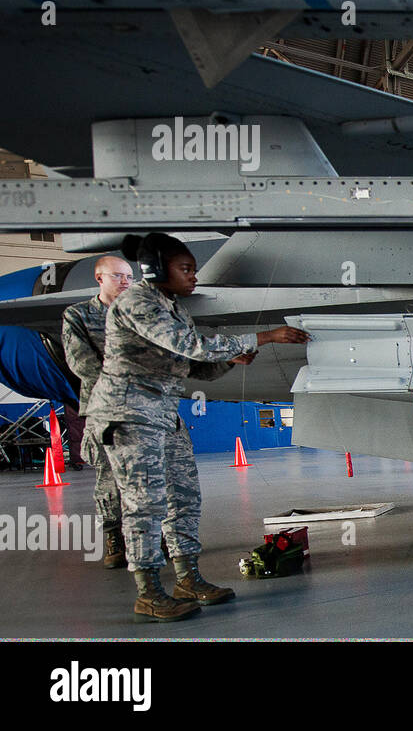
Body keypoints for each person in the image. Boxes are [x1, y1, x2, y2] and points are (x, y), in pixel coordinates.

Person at [84, 233, 310, 622]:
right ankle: (149, 591)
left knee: (184, 497)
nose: (193, 278)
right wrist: (264, 335)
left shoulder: (171, 307)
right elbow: (191, 346)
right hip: (128, 415)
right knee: (144, 504)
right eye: (185, 269)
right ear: (157, 269)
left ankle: (188, 577)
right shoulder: (136, 302)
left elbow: (194, 366)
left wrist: (232, 360)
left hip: (161, 415)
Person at [61, 255, 135, 568]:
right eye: (117, 276)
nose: (125, 283)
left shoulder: (140, 315)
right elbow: (82, 364)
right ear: (99, 277)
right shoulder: (78, 315)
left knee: (152, 476)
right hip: (106, 409)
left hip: (147, 409)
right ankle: (114, 539)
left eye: (130, 278)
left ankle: (151, 534)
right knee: (110, 478)